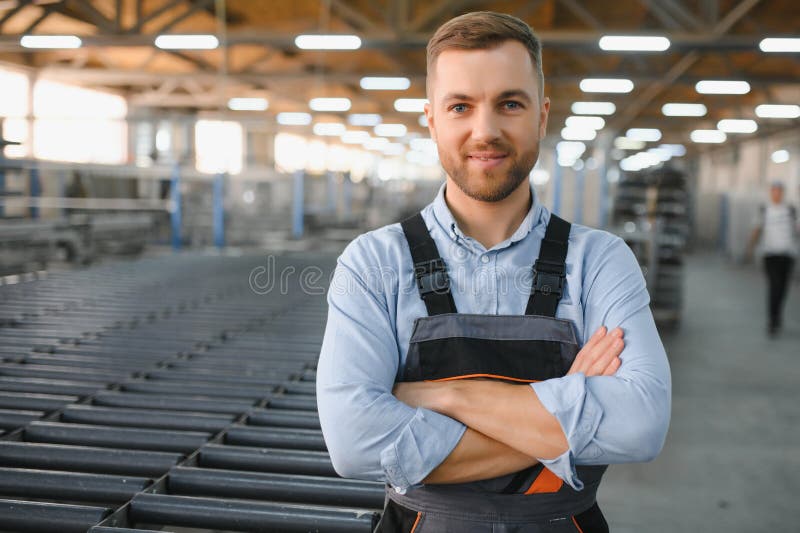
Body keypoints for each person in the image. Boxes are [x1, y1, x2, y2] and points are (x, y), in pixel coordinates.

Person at [317, 11, 671, 532]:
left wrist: (446, 395)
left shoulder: (600, 260)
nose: (485, 131)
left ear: (541, 116)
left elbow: (641, 425)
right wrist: (561, 420)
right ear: (432, 119)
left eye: (509, 103)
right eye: (460, 106)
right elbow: (353, 443)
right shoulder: (374, 263)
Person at [747, 182, 798, 336]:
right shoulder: (764, 210)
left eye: (779, 191)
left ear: (782, 193)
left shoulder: (790, 210)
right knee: (774, 286)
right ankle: (772, 320)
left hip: (787, 254)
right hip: (770, 255)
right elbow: (757, 229)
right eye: (774, 191)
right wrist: (751, 247)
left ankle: (777, 315)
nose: (776, 194)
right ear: (771, 193)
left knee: (783, 288)